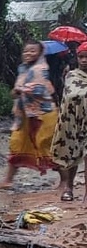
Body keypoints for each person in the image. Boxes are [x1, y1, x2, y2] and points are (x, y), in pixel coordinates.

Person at [0, 40, 58, 190]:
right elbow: (15, 93)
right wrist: (17, 91)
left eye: (33, 51)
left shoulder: (41, 69)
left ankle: (63, 182)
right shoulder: (23, 70)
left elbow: (40, 91)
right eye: (26, 51)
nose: (28, 54)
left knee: (46, 146)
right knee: (16, 144)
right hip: (23, 115)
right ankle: (7, 181)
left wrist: (22, 90)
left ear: (40, 53)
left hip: (43, 115)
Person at [52, 45, 87, 201]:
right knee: (71, 155)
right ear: (77, 58)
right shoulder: (72, 75)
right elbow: (71, 95)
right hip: (72, 121)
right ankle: (68, 187)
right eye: (81, 57)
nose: (85, 60)